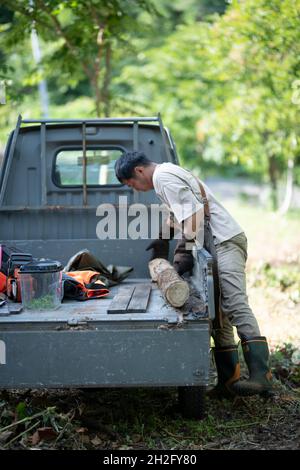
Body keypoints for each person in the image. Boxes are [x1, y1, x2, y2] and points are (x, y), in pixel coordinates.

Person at [114, 151, 273, 398]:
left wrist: (184, 251)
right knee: (218, 314)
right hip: (214, 242)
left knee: (234, 302)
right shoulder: (163, 176)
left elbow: (194, 216)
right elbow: (175, 214)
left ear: (138, 171)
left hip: (225, 240)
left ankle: (262, 376)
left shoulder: (164, 177)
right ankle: (229, 382)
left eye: (131, 183)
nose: (134, 188)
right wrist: (162, 240)